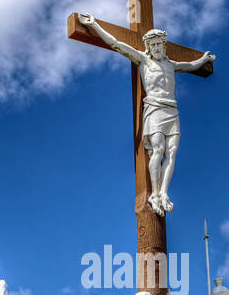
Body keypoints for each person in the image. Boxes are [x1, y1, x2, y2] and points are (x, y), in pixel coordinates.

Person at [76, 13, 214, 216]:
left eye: (160, 44)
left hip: (171, 109)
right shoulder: (144, 61)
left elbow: (191, 65)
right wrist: (94, 24)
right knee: (157, 150)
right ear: (149, 47)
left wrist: (204, 59)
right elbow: (115, 43)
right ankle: (154, 193)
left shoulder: (171, 65)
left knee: (172, 152)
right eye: (154, 45)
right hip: (154, 108)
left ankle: (165, 192)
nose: (157, 48)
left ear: (163, 46)